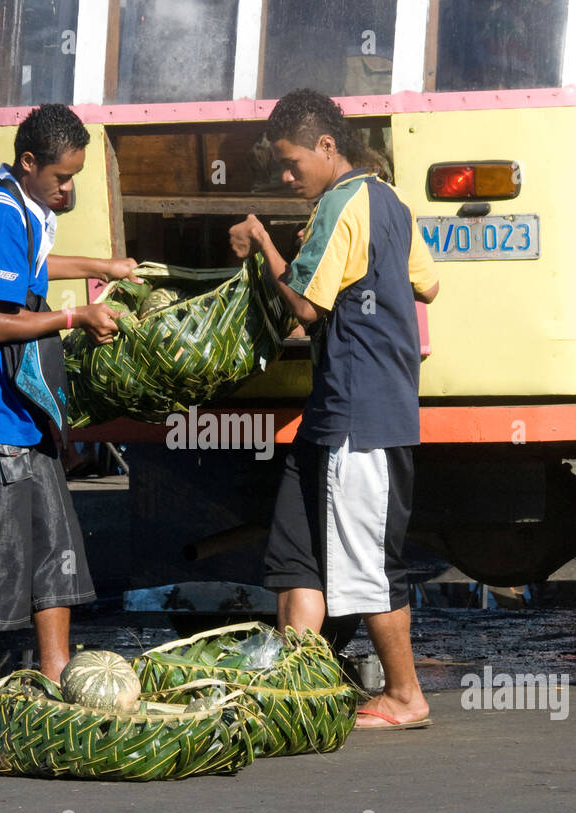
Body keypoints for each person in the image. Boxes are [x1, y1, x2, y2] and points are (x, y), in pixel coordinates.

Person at [229, 89, 441, 730]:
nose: (285, 176)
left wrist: (263, 243)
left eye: (291, 163)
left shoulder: (340, 203)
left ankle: (405, 695)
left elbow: (304, 305)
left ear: (327, 147)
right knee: (297, 553)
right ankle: (296, 691)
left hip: (361, 412)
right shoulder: (391, 201)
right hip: (335, 411)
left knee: (369, 562)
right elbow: (428, 283)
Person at [0, 103, 137, 735]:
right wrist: (76, 317)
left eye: (74, 177)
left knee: (55, 546)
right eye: (62, 177)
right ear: (28, 163)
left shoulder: (24, 208)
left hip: (22, 411)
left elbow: (34, 269)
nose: (68, 188)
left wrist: (104, 268)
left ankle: (57, 677)